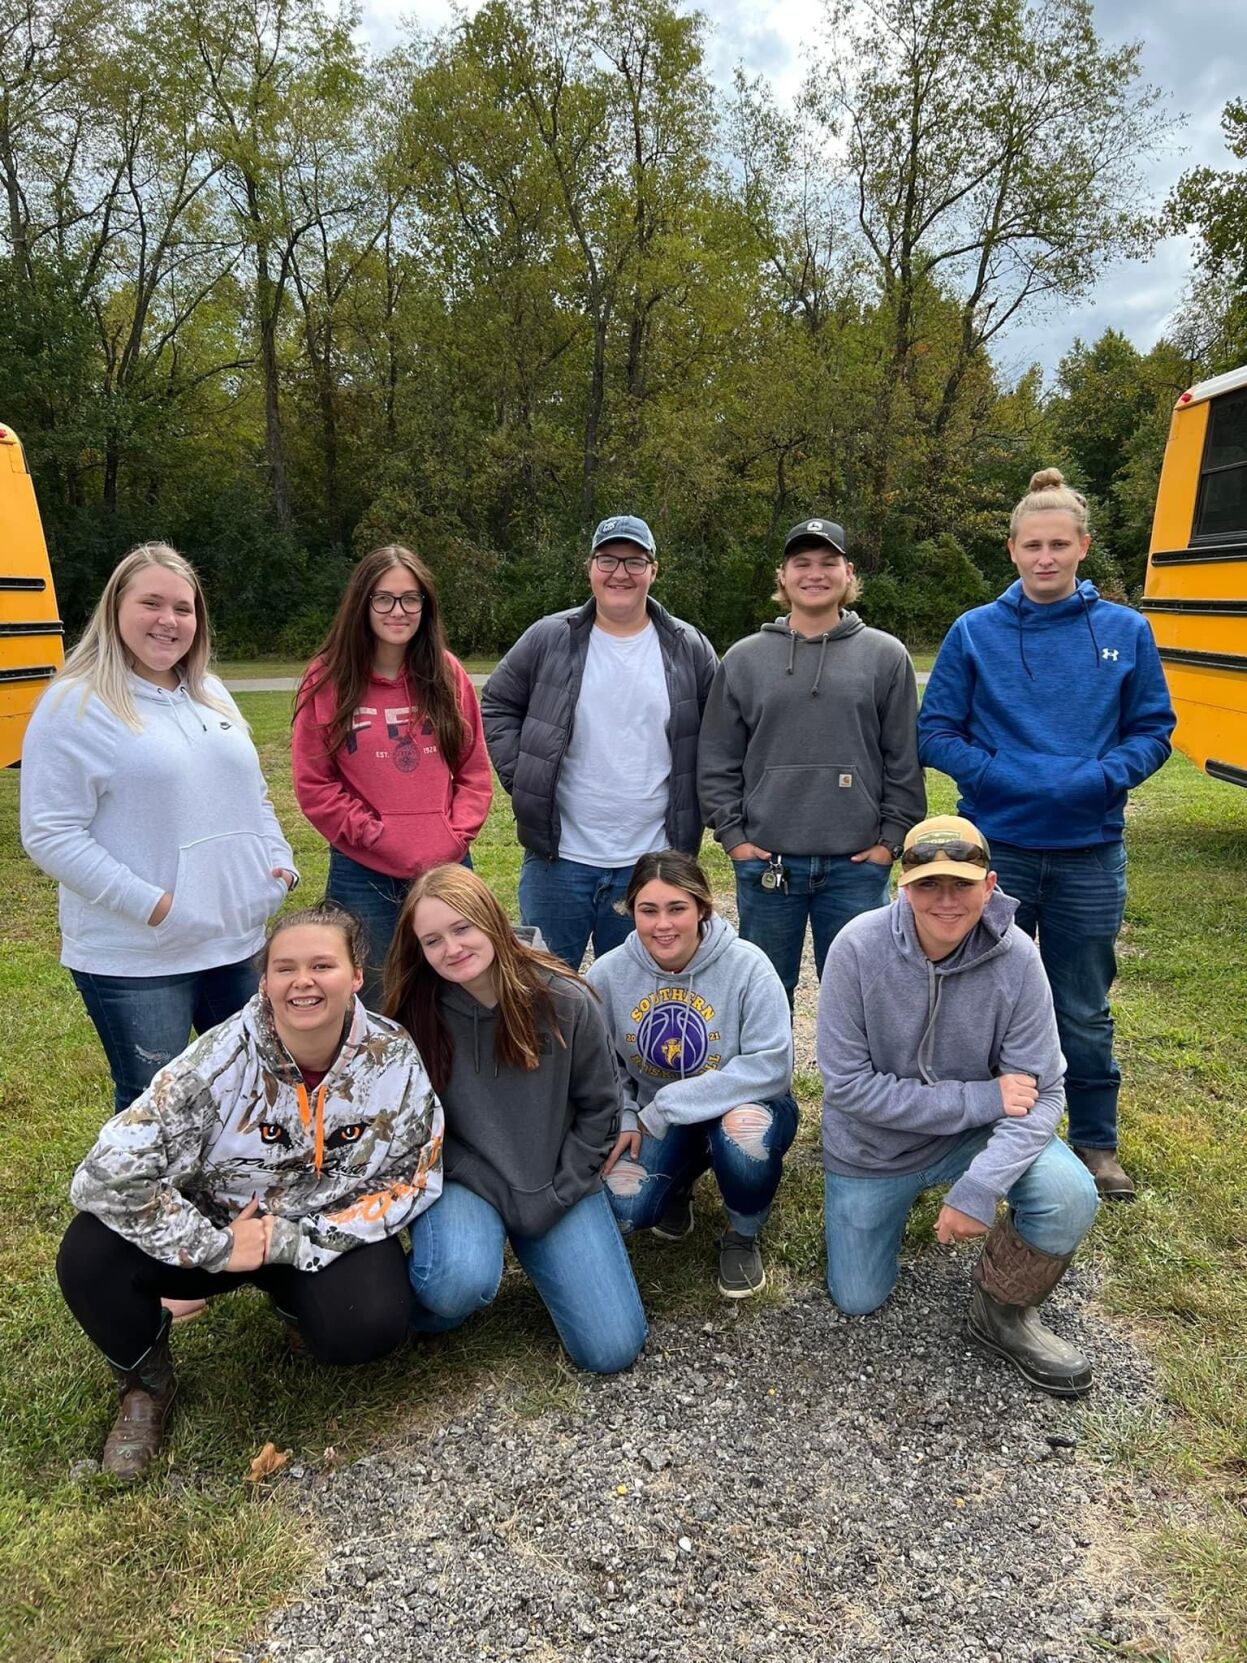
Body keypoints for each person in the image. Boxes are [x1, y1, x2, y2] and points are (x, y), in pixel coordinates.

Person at [56, 904, 445, 1480]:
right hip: (217, 1228)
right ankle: (145, 1386)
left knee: (369, 1325)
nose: (303, 981)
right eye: (284, 968)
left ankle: (293, 1301)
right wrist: (215, 1246)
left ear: (356, 975)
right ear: (263, 981)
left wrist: (296, 1240)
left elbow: (417, 1172)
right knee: (89, 1254)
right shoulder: (218, 1060)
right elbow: (105, 1173)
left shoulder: (391, 1057)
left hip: (315, 1234)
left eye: (322, 965)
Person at [917, 470, 1174, 1199]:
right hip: (997, 850)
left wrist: (1096, 778)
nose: (1045, 557)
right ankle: (964, 1129)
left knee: (1082, 1003)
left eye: (1059, 544)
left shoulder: (1124, 632)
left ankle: (1094, 1139)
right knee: (972, 992)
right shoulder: (975, 631)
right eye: (1031, 544)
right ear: (1011, 549)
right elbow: (935, 730)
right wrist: (1002, 775)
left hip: (1089, 850)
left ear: (1082, 546)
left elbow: (1153, 730)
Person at [818, 815, 1100, 1396]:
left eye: (962, 885)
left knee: (1069, 1194)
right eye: (928, 885)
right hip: (873, 1147)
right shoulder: (856, 947)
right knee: (857, 1298)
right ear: (904, 886)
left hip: (974, 1137)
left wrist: (981, 1188)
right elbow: (847, 1087)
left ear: (990, 886)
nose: (946, 901)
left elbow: (1044, 1090)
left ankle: (1001, 1311)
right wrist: (983, 1097)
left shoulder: (1019, 957)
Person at [21, 542, 298, 1117]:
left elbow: (253, 795)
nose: (169, 621)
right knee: (154, 1111)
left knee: (254, 1093)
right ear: (115, 608)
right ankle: (136, 1208)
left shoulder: (210, 693)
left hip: (235, 940)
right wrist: (157, 906)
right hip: (138, 956)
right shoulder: (75, 704)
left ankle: (233, 1205)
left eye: (184, 608)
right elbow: (50, 833)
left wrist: (278, 865)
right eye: (152, 603)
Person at [385, 865, 647, 1374]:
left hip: (555, 1179)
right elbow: (421, 1130)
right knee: (453, 1283)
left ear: (493, 920)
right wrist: (503, 1194)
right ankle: (422, 1307)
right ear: (418, 948)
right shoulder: (414, 1015)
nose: (453, 948)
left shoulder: (564, 998)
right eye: (433, 940)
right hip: (468, 1180)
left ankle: (538, 1247)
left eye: (463, 928)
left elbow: (601, 1107)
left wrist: (557, 1192)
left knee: (611, 1351)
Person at [698, 516, 925, 1010]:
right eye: (802, 563)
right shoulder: (744, 659)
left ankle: (852, 1090)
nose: (814, 574)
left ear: (848, 574)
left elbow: (903, 759)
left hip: (857, 866)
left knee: (859, 997)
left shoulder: (886, 656)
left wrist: (891, 841)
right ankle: (767, 1091)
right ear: (783, 576)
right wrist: (734, 839)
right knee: (763, 996)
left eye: (828, 563)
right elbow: (717, 759)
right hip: (767, 865)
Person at [481, 514, 717, 971]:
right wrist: (525, 777)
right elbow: (497, 703)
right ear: (590, 567)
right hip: (559, 859)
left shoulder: (688, 647)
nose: (620, 573)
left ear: (654, 570)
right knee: (544, 997)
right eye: (608, 560)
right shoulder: (550, 637)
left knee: (642, 1000)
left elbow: (721, 735)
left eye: (634, 561)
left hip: (651, 863)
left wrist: (702, 804)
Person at [587, 851, 797, 1299]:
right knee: (624, 1207)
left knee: (743, 1137)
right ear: (632, 914)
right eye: (648, 910)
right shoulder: (607, 975)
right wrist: (627, 1116)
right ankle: (676, 1186)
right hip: (655, 1116)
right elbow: (605, 1068)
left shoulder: (748, 966)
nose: (663, 924)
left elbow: (771, 1065)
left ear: (702, 908)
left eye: (677, 908)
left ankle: (742, 1232)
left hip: (742, 1106)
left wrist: (661, 1108)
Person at [293, 544, 492, 1008]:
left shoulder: (447, 673)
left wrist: (454, 834)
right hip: (363, 872)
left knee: (461, 994)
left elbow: (473, 770)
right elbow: (314, 783)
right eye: (383, 598)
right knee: (377, 1001)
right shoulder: (327, 678)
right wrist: (374, 834)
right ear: (362, 603)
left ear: (426, 606)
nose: (397, 611)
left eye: (411, 598)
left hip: (447, 868)